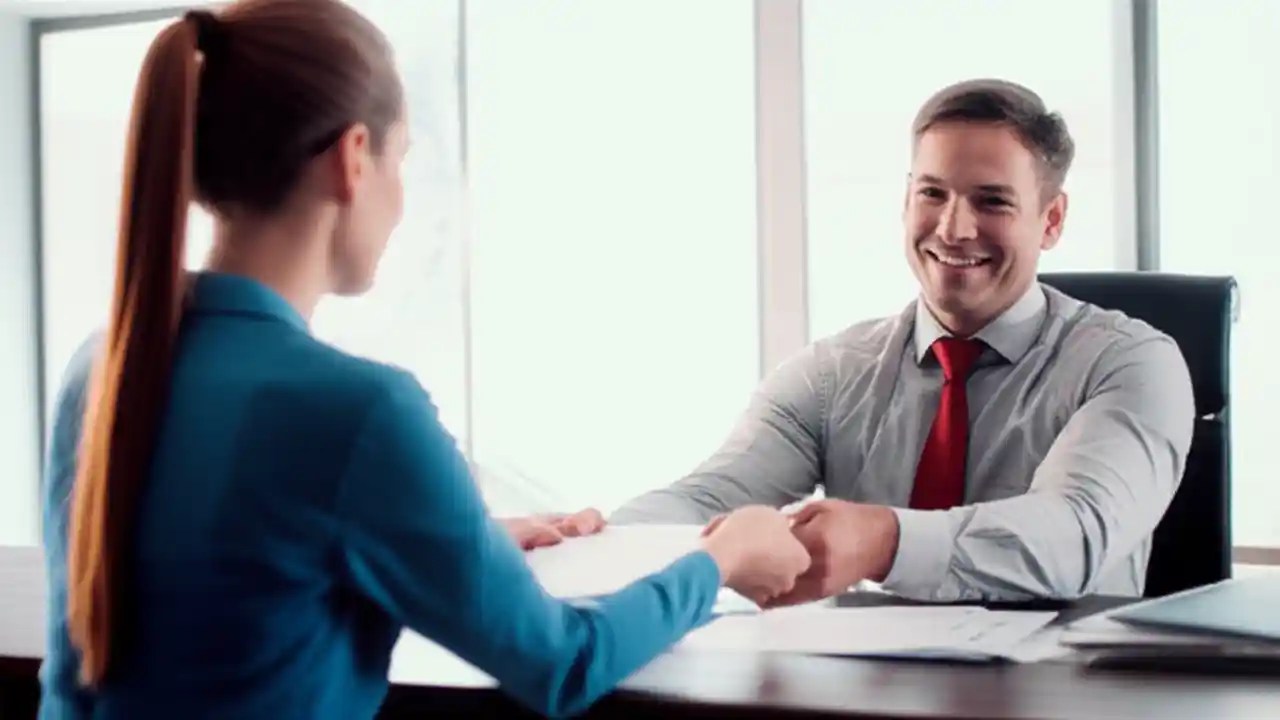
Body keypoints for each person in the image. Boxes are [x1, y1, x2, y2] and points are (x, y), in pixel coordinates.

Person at [38, 2, 811, 718]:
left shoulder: (98, 366)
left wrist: (447, 540)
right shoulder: (357, 411)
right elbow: (563, 665)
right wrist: (723, 563)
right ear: (353, 158)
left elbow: (225, 581)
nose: (402, 197)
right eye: (402, 159)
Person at [613, 78, 1195, 605]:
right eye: (933, 194)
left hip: (1061, 698)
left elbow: (1076, 533)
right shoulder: (831, 375)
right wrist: (588, 540)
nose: (953, 228)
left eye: (991, 200)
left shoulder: (1131, 364)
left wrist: (884, 540)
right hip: (872, 687)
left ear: (1051, 221)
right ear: (906, 199)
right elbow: (710, 498)